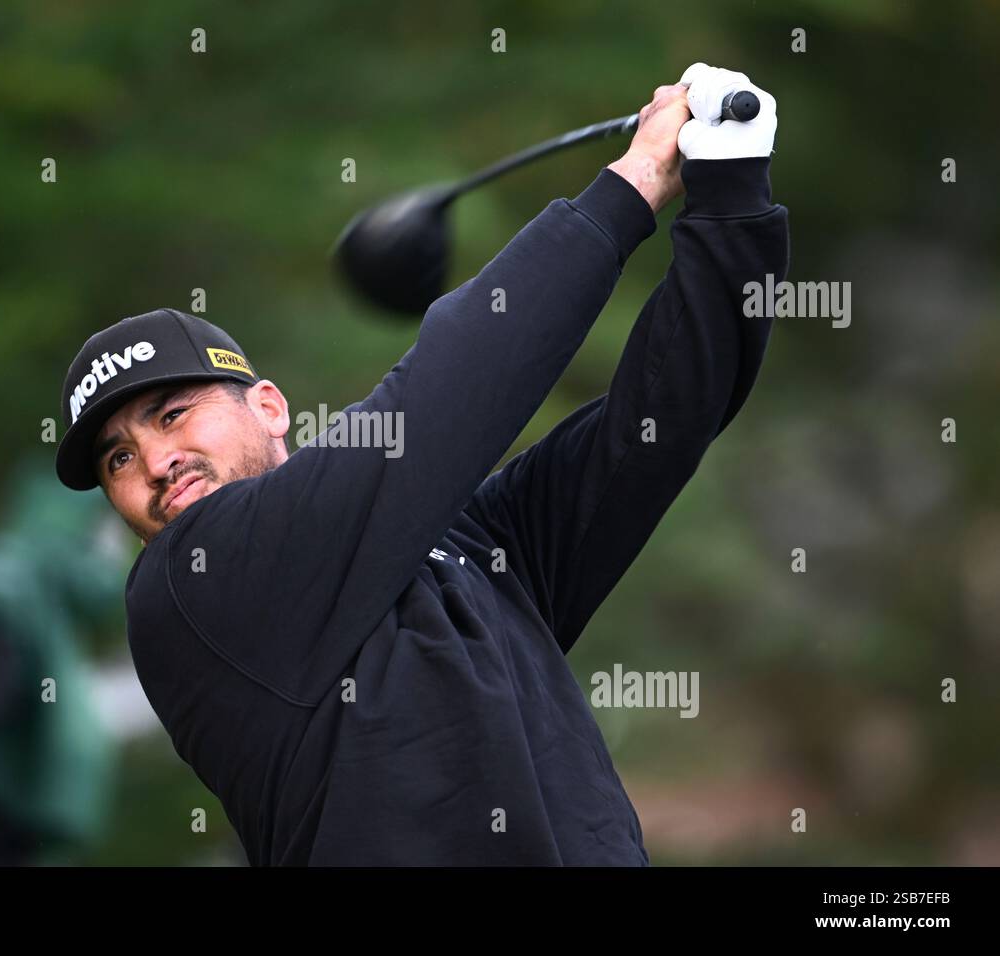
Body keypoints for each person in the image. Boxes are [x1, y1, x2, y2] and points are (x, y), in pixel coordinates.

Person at [53, 63, 789, 865]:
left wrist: (732, 195)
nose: (156, 462)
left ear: (267, 406)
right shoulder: (190, 587)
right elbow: (440, 400)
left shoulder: (471, 551)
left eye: (170, 416)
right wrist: (635, 180)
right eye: (119, 457)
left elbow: (666, 414)